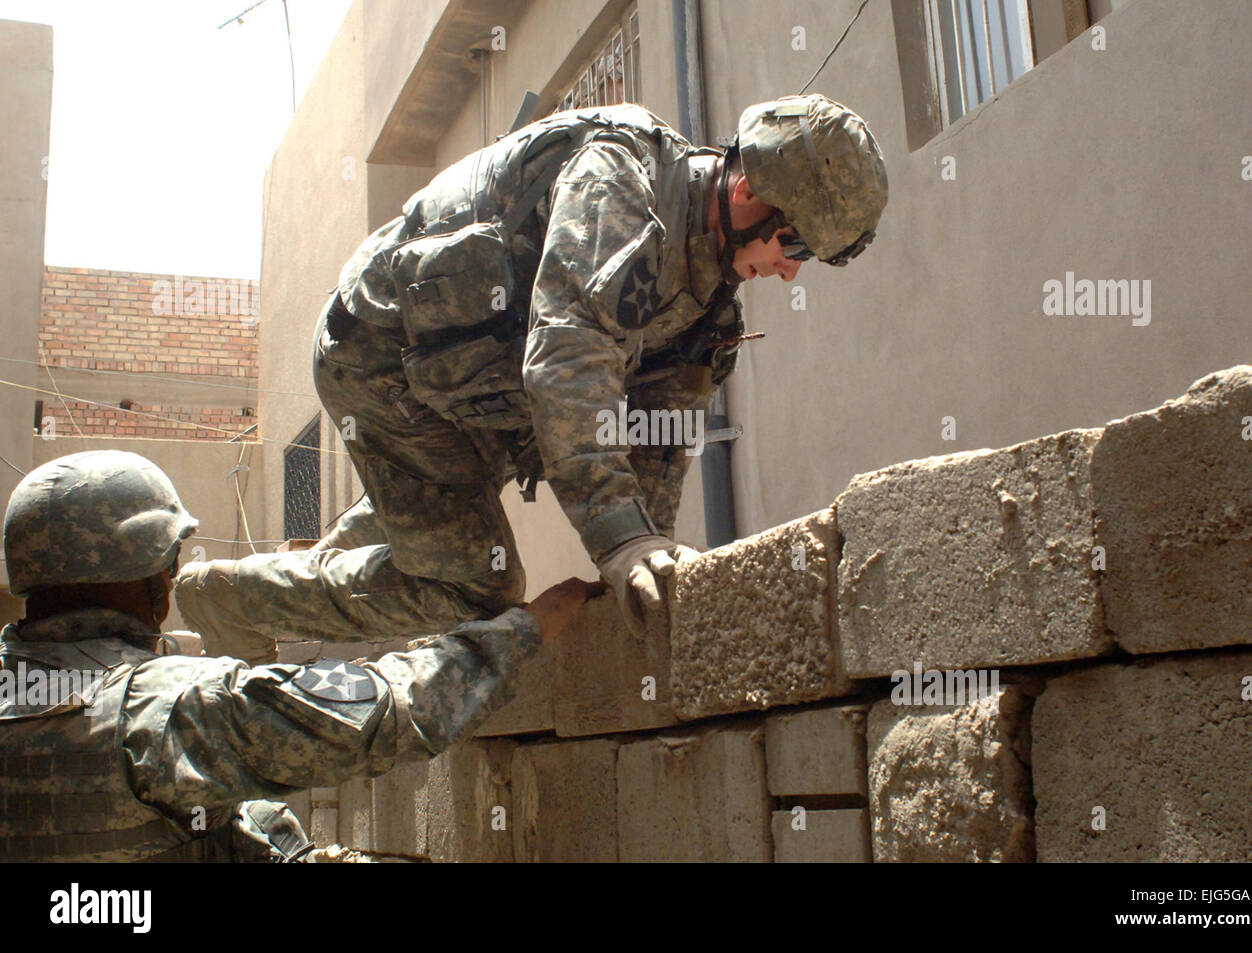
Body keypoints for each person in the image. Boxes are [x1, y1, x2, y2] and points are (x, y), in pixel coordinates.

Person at [175, 92, 887, 660]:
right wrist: (616, 538)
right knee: (473, 585)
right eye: (792, 241)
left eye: (808, 258)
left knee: (441, 521)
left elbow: (656, 443)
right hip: (384, 357)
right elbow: (568, 354)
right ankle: (231, 598)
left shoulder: (707, 309)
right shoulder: (622, 184)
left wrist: (641, 558)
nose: (791, 268)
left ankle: (295, 585)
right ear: (748, 195)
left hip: (478, 396)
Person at [0, 450, 598, 861]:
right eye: (171, 559)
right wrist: (522, 630)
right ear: (152, 573)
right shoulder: (165, 706)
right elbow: (385, 712)